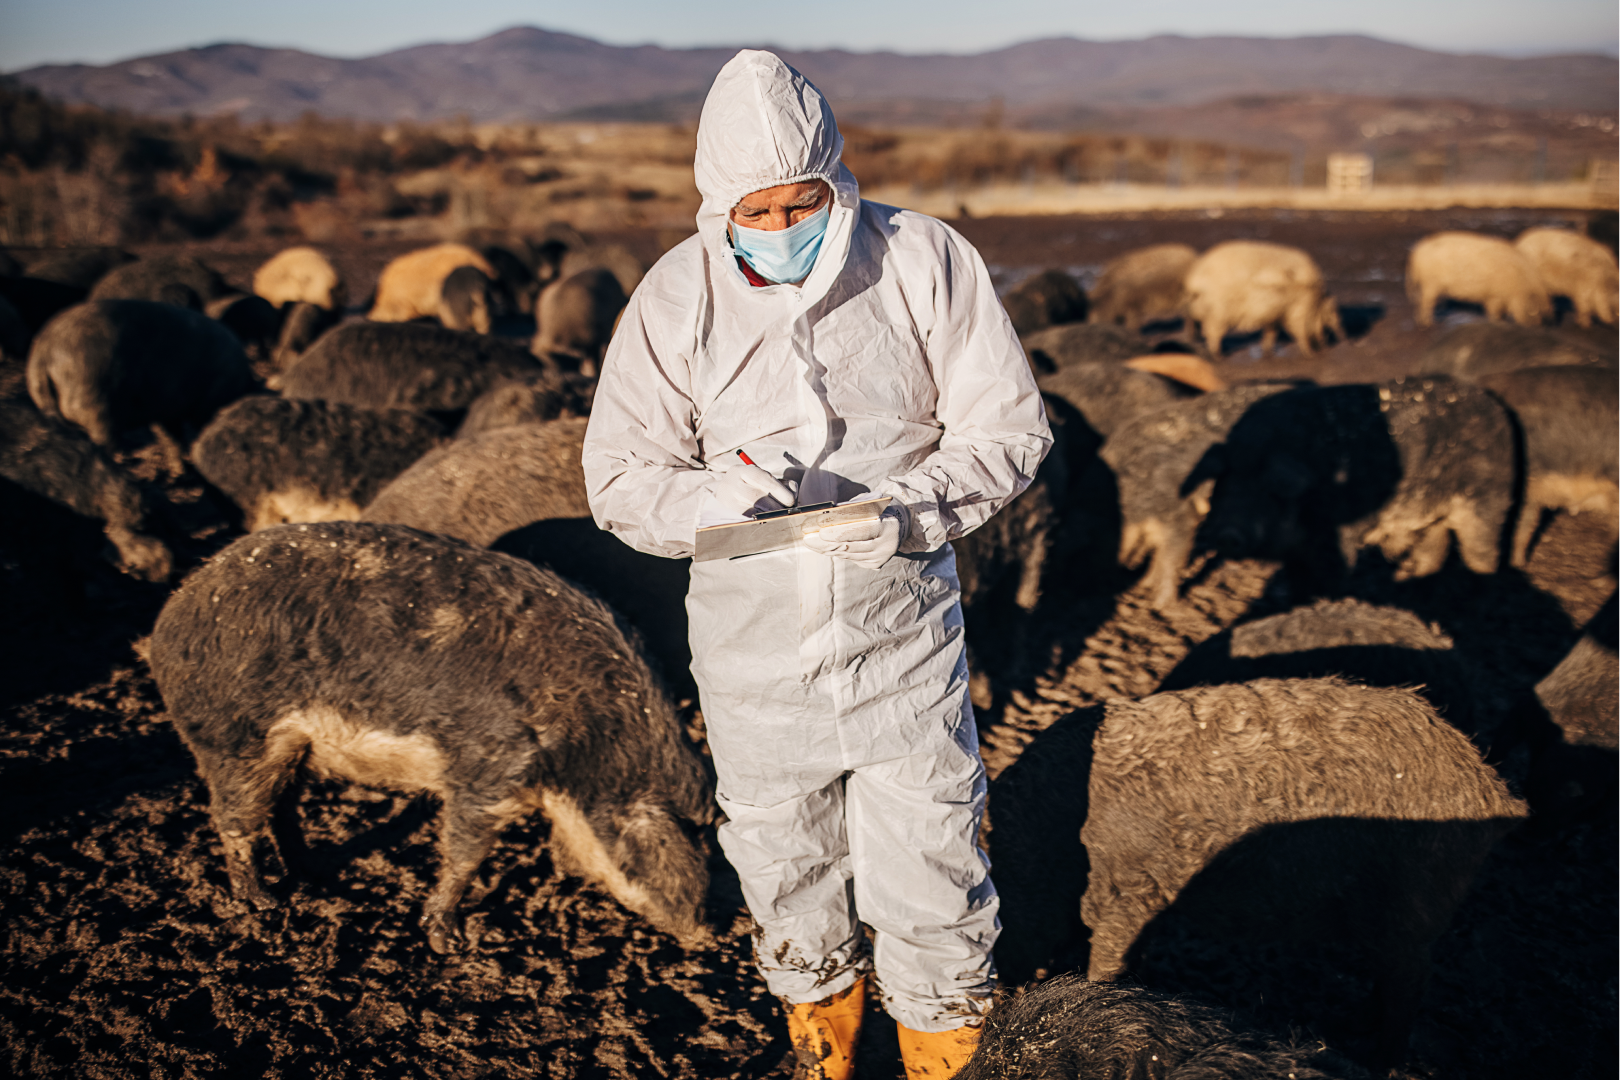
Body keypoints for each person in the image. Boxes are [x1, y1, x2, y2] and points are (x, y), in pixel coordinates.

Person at [583, 50, 1051, 1080]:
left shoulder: (923, 258)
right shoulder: (677, 294)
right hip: (754, 652)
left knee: (935, 851)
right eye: (760, 210)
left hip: (899, 632)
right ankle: (822, 1047)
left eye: (806, 201)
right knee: (782, 855)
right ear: (720, 208)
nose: (787, 226)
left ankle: (945, 1053)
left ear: (838, 181)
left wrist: (914, 508)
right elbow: (617, 477)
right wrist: (714, 498)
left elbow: (1007, 427)